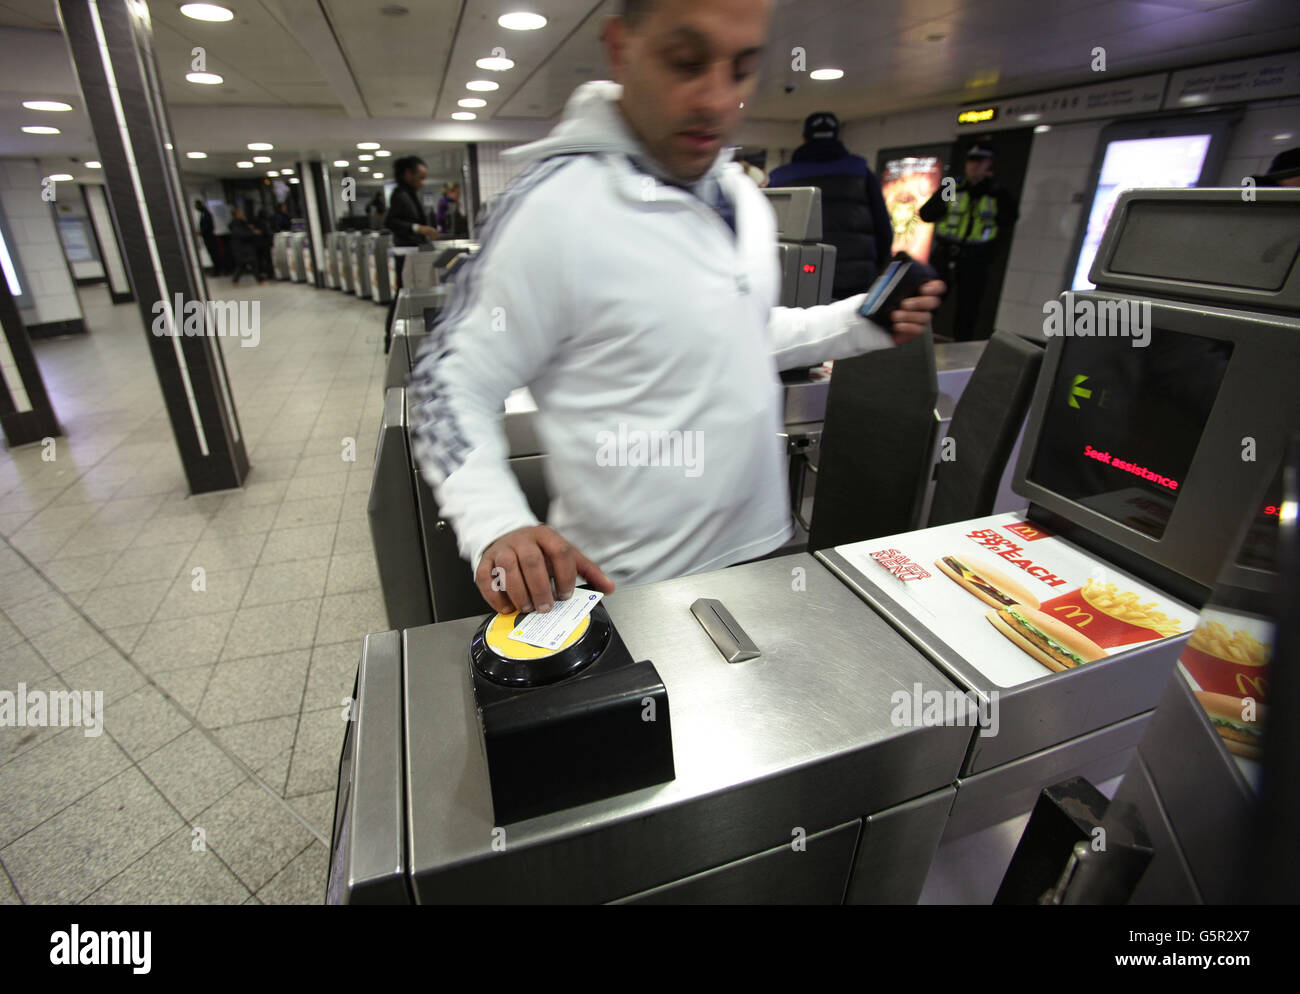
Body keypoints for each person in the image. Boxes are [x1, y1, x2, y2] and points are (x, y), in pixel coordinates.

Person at [407, 0, 944, 616]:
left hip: (764, 550)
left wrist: (858, 324)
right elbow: (445, 386)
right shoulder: (555, 209)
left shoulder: (738, 196)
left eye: (742, 69)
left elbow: (743, 333)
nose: (717, 99)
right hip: (632, 584)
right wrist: (497, 522)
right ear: (620, 49)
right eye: (686, 62)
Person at [767, 111, 892, 298]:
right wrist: (875, 268)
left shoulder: (780, 177)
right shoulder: (861, 172)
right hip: (856, 282)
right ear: (838, 136)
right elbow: (884, 231)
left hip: (797, 280)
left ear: (804, 139)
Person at [918, 143, 1019, 341]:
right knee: (929, 300)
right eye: (971, 161)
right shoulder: (953, 187)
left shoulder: (997, 192)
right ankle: (915, 341)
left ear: (989, 164)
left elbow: (1007, 221)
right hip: (945, 253)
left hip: (975, 258)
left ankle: (960, 349)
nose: (974, 166)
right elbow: (927, 213)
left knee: (968, 309)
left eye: (979, 162)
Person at [384, 155, 440, 350]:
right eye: (420, 177)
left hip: (413, 252)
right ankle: (392, 340)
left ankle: (394, 339)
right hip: (407, 254)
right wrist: (419, 229)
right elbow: (390, 222)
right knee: (403, 294)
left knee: (404, 294)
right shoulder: (401, 195)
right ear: (408, 174)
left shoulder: (408, 194)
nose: (422, 182)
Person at [227, 207, 264, 284]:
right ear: (236, 215)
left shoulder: (241, 223)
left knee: (242, 265)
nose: (242, 215)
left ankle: (235, 280)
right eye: (240, 213)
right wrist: (253, 233)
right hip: (242, 248)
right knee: (251, 263)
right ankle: (259, 280)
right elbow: (241, 234)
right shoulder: (236, 224)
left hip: (245, 247)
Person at [194, 199, 222, 275]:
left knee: (214, 254)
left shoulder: (205, 214)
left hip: (210, 237)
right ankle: (217, 269)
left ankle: (218, 270)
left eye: (195, 205)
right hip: (207, 237)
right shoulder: (203, 213)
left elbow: (208, 226)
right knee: (212, 254)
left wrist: (201, 232)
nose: (195, 207)